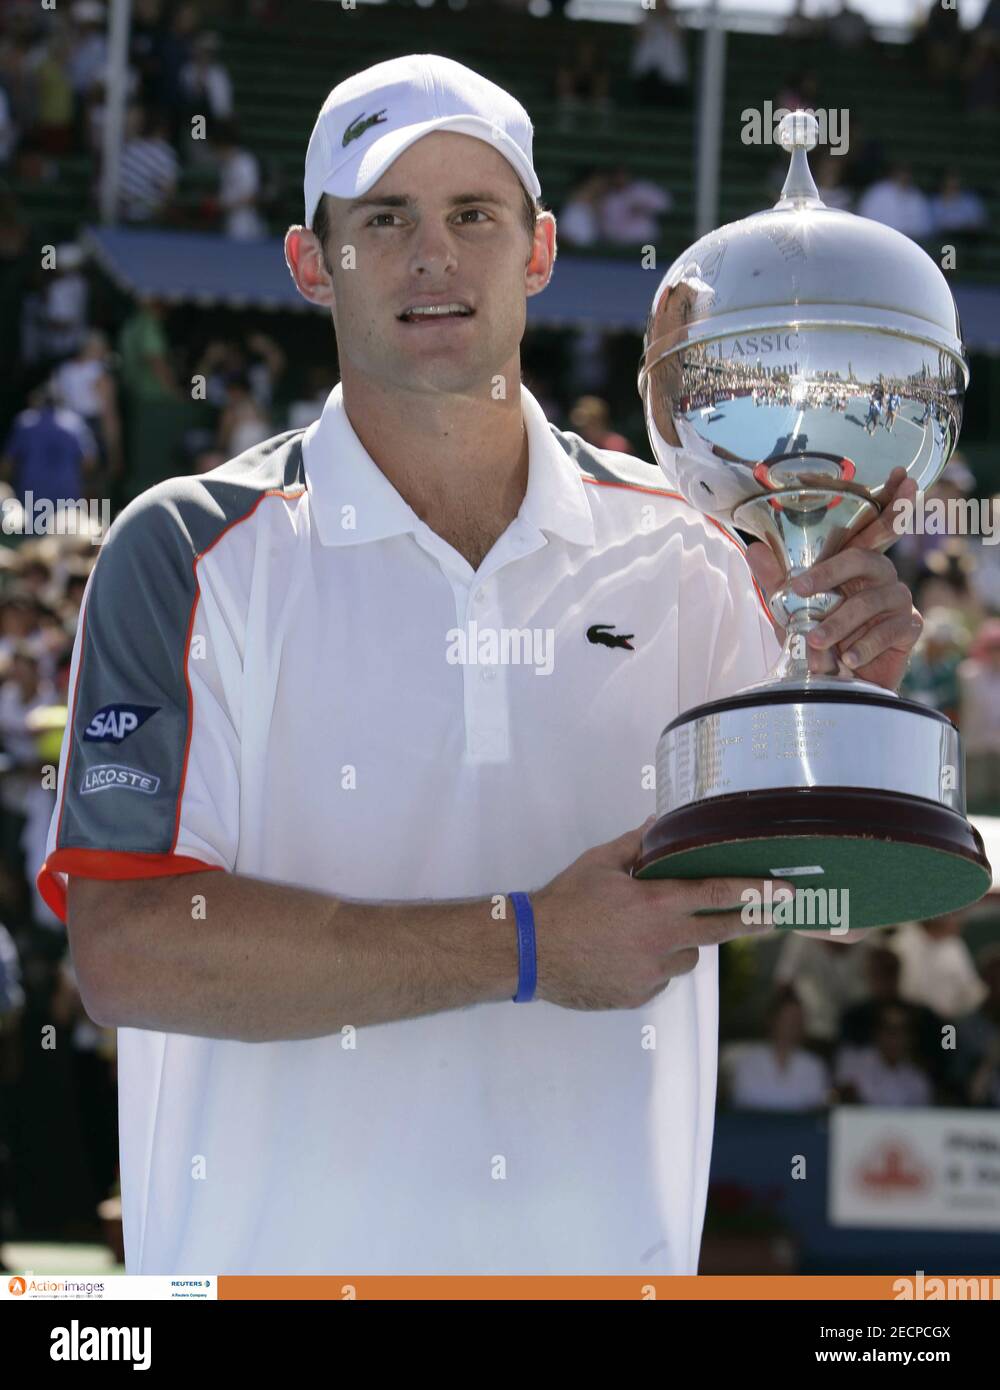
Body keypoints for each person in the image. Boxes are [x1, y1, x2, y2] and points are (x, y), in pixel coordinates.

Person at [44, 54, 921, 1278]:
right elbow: (129, 949)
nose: (430, 257)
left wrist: (845, 709)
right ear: (312, 263)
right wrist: (523, 947)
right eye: (383, 219)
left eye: (473, 215)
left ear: (540, 251)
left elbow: (816, 907)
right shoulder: (185, 546)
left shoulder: (697, 547)